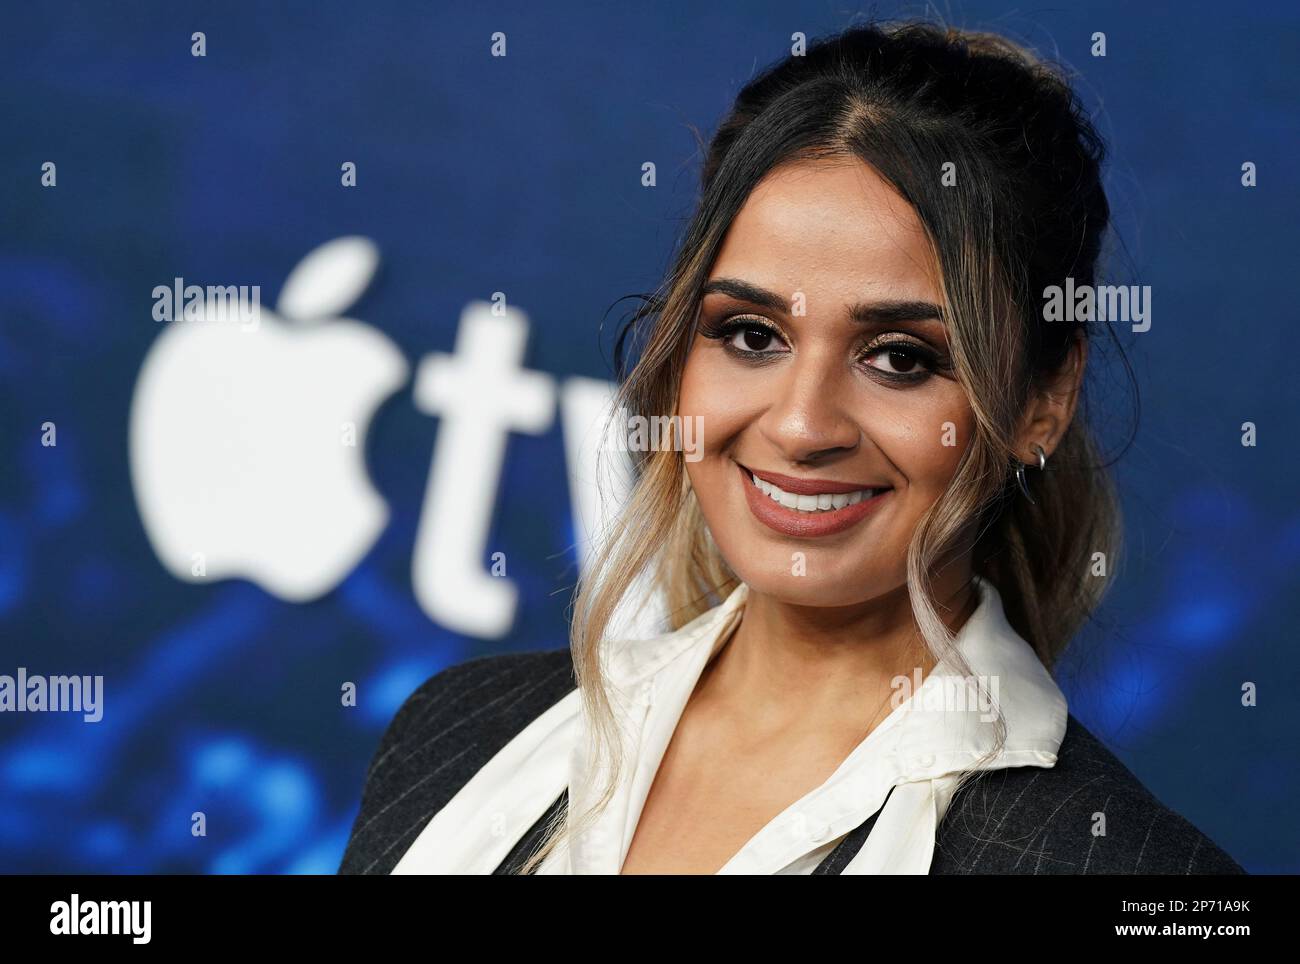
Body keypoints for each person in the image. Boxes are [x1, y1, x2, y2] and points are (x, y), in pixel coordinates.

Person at [339, 19, 1245, 875]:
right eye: (751, 335)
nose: (803, 426)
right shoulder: (459, 731)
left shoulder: (1128, 869)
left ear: (1043, 402)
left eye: (901, 357)